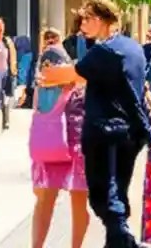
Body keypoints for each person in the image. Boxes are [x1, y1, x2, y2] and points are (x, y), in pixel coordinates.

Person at [40, 0, 151, 248]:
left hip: (104, 131)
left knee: (102, 195)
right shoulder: (132, 47)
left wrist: (46, 76)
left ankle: (124, 240)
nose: (82, 24)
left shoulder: (104, 51)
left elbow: (73, 74)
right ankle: (118, 240)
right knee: (118, 191)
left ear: (100, 21)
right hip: (132, 132)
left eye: (87, 18)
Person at [30, 27, 89, 248]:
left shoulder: (43, 68)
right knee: (76, 199)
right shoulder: (55, 58)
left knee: (47, 199)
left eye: (54, 38)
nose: (51, 42)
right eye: (47, 38)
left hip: (52, 141)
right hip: (72, 139)